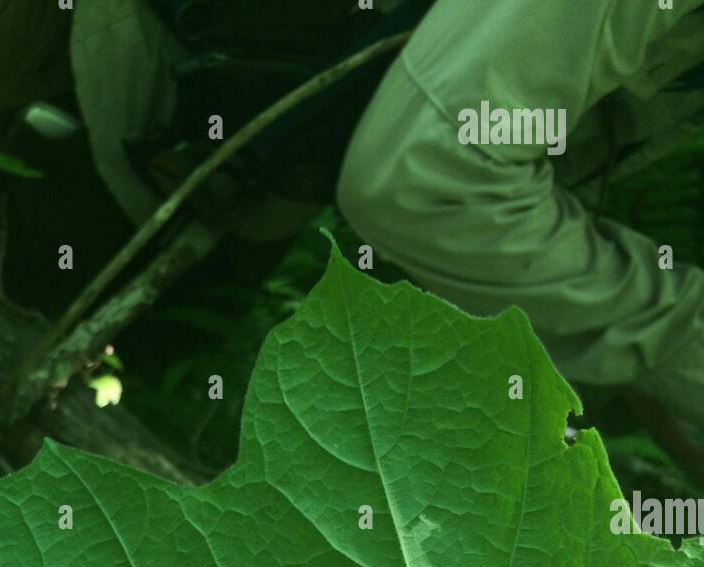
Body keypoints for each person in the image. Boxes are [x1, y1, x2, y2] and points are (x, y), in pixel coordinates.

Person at [70, 0, 704, 448]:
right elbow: (433, 179)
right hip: (138, 79)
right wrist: (670, 346)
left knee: (155, 406)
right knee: (6, 430)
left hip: (273, 140)